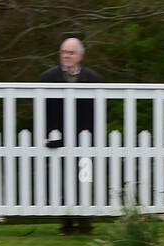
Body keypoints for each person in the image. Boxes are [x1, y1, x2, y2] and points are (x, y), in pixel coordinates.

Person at [41, 37, 104, 235]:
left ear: (81, 56)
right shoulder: (48, 78)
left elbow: (99, 112)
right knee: (62, 182)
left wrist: (92, 137)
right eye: (63, 52)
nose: (66, 56)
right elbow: (42, 110)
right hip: (58, 139)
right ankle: (66, 225)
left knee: (84, 180)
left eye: (71, 53)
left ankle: (85, 224)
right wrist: (48, 134)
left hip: (85, 139)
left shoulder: (93, 79)